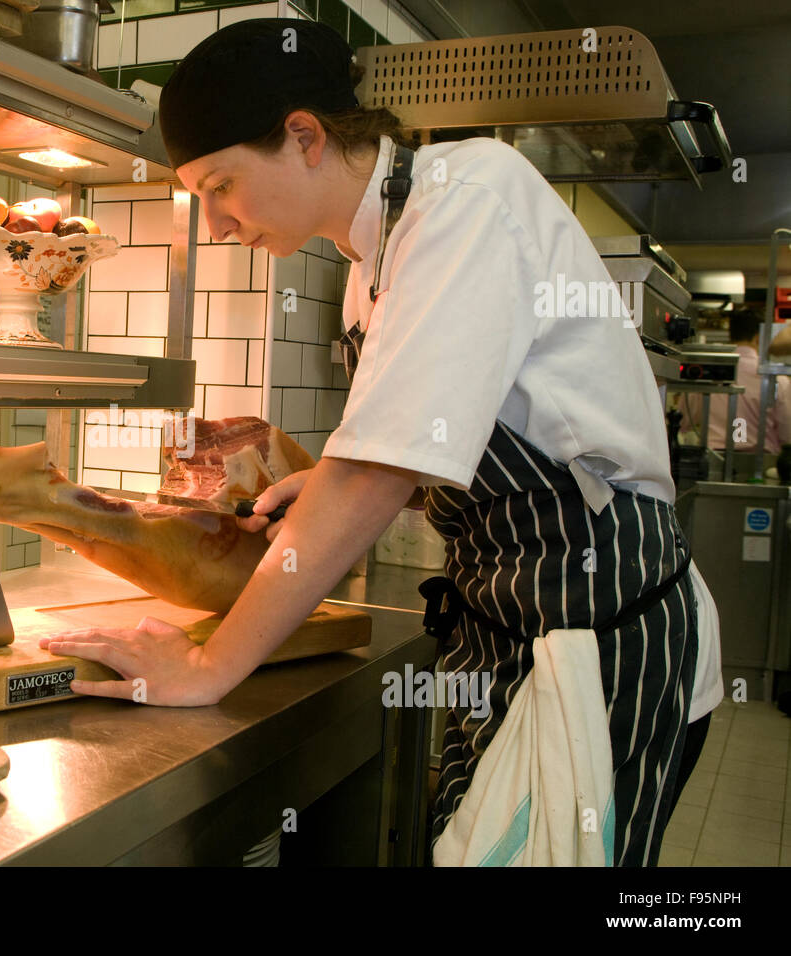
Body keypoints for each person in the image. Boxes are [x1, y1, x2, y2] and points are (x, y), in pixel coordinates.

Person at [39, 18, 723, 866]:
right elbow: (421, 441)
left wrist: (209, 667)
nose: (215, 223)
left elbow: (374, 476)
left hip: (604, 638)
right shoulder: (370, 262)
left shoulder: (468, 202)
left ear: (304, 137)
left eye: (221, 186)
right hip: (511, 629)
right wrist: (327, 473)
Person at [679, 307, 791, 455]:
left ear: (730, 335)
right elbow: (787, 432)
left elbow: (682, 420)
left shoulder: (707, 372)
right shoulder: (776, 379)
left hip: (711, 459)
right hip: (760, 462)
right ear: (759, 337)